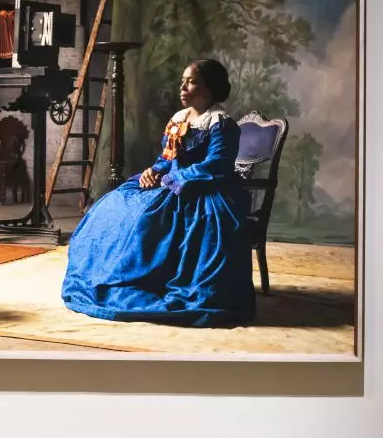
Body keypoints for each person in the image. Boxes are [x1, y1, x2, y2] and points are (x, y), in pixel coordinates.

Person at [61, 59, 256, 327]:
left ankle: (152, 278)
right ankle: (110, 272)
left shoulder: (221, 123)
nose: (183, 86)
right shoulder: (179, 119)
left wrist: (173, 178)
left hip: (204, 189)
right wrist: (154, 170)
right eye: (183, 80)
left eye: (192, 81)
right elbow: (166, 158)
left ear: (210, 87)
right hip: (171, 181)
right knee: (119, 202)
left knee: (150, 217)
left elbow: (217, 165)